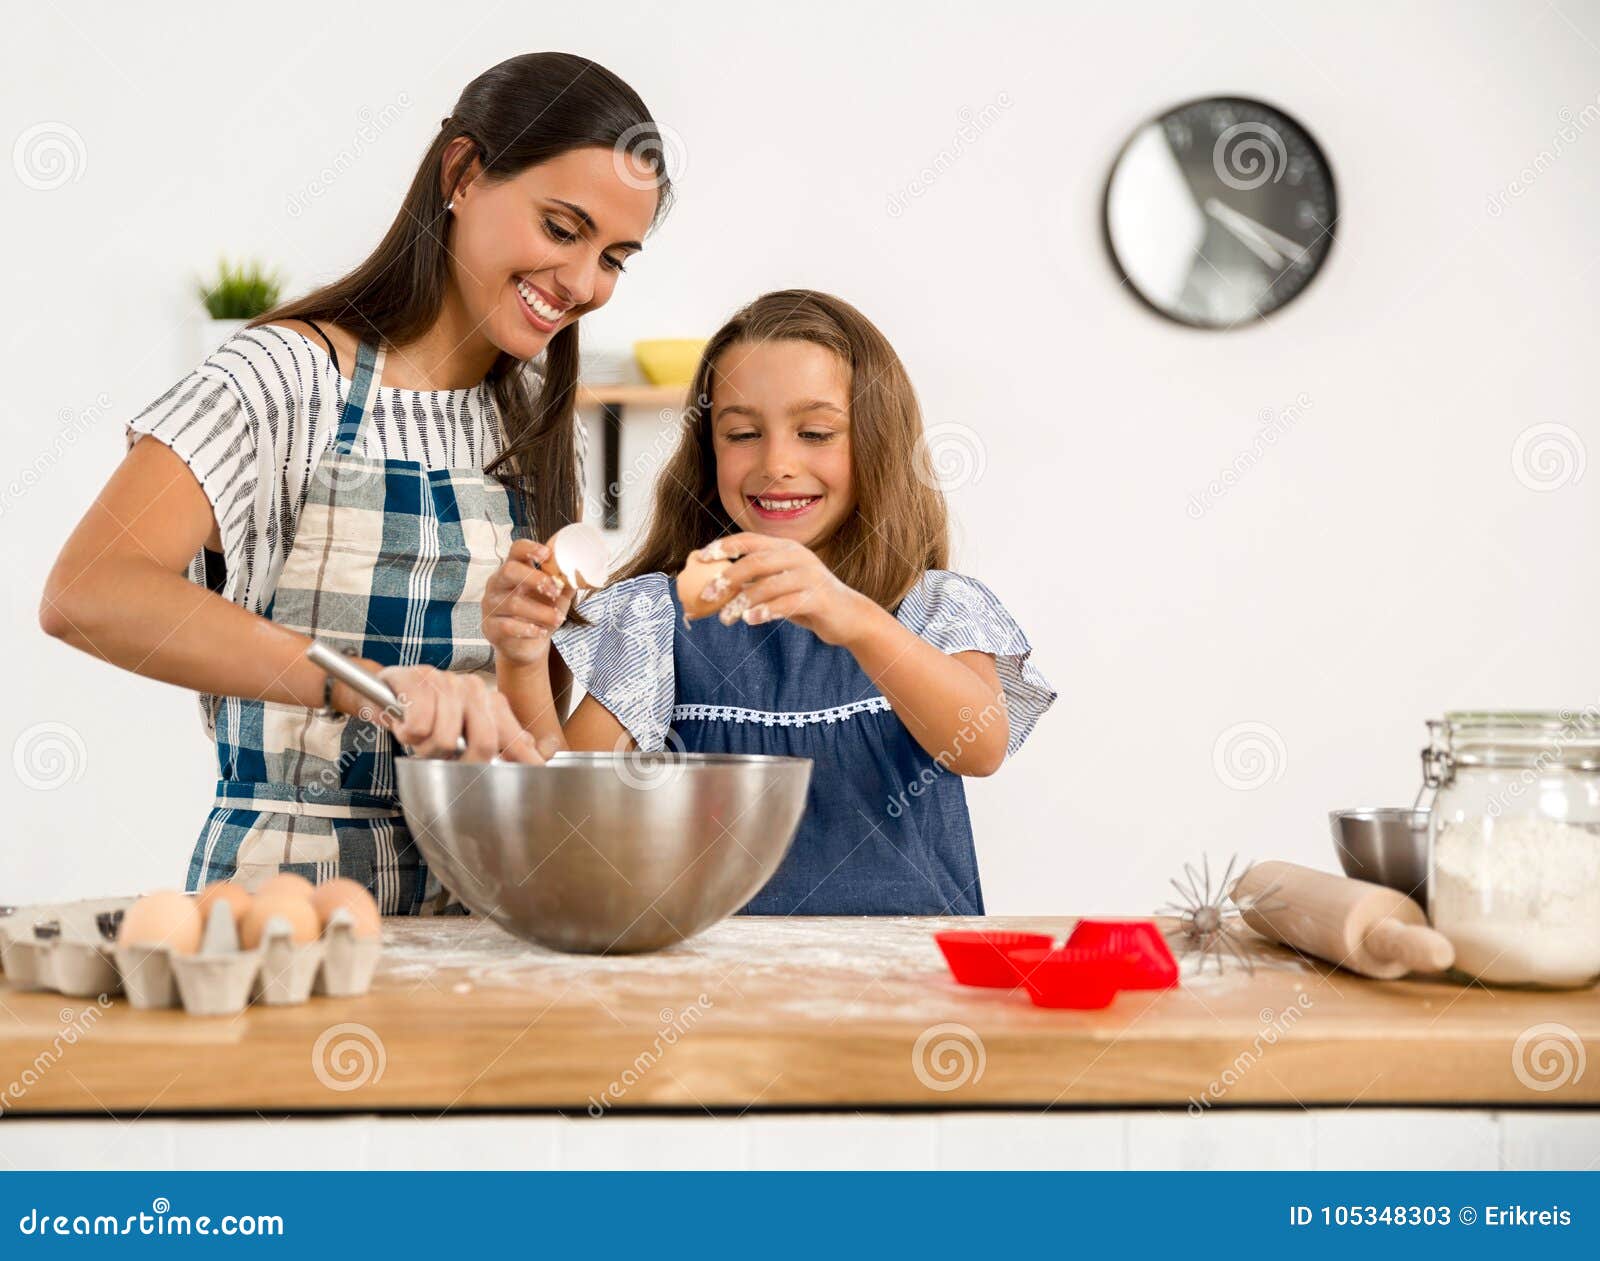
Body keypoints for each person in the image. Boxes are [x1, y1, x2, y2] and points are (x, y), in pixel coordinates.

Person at [40, 53, 669, 912]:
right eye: (563, 229)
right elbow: (88, 590)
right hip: (283, 917)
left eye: (615, 258)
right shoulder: (285, 379)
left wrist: (525, 661)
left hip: (479, 933)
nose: (585, 283)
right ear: (464, 172)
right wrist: (365, 685)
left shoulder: (528, 428)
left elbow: (531, 754)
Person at [489, 290, 1055, 915]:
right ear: (708, 449)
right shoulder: (658, 619)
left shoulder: (936, 607)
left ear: (878, 443)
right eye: (742, 433)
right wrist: (521, 660)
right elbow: (566, 822)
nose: (776, 463)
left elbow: (979, 746)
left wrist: (856, 620)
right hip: (715, 990)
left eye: (814, 432)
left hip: (905, 992)